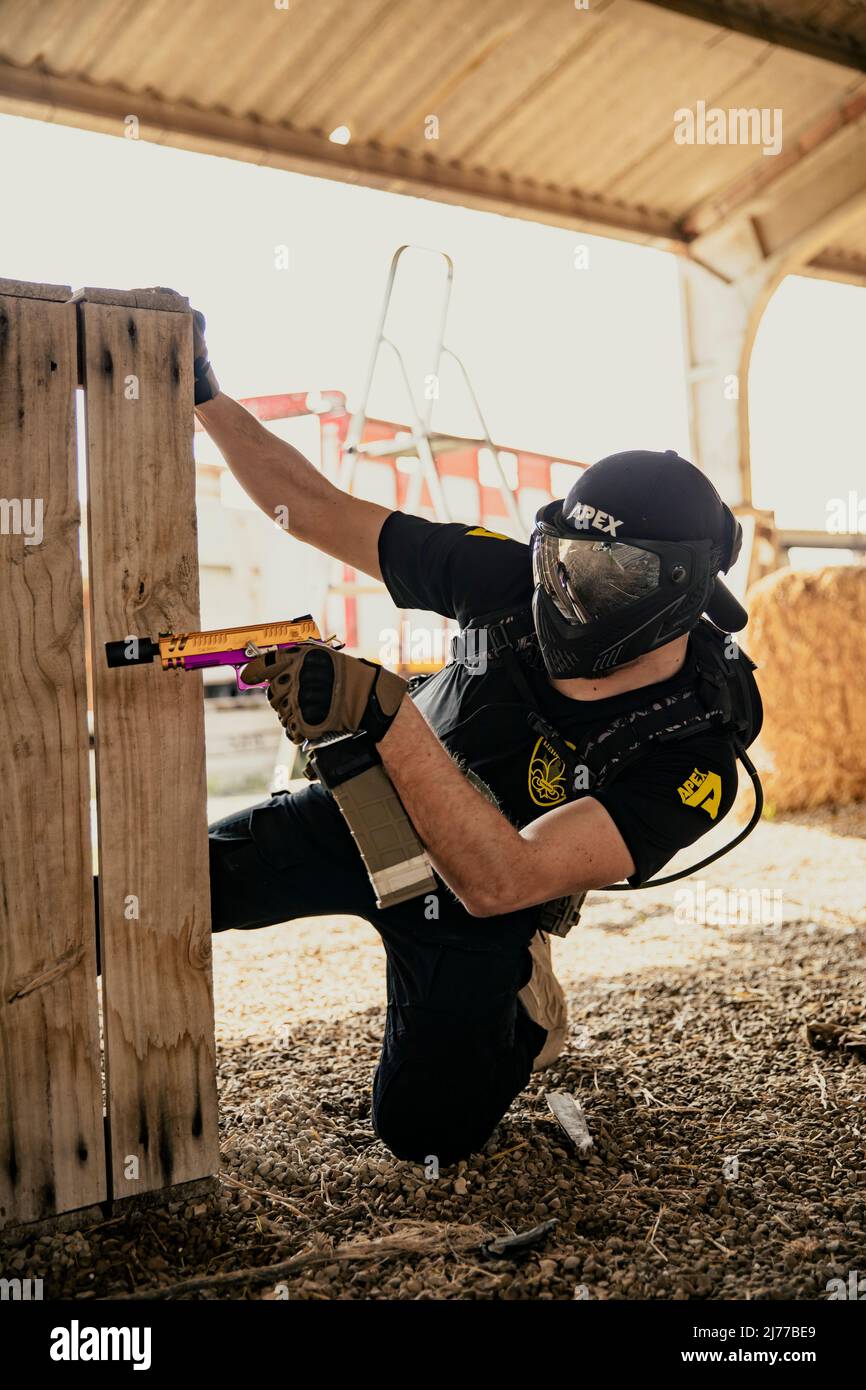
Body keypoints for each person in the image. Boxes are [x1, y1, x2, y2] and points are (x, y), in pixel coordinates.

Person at [193, 310, 750, 1166]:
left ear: (680, 587)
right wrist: (203, 391)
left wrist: (383, 716)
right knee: (182, 884)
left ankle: (525, 1002)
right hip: (374, 812)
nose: (567, 591)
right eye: (562, 558)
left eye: (611, 573)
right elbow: (310, 509)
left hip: (478, 894)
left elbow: (506, 878)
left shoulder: (695, 751)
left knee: (423, 1133)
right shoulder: (505, 573)